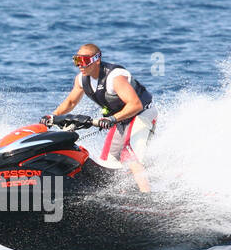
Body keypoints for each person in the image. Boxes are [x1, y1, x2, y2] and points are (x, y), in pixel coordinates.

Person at [42, 43, 156, 192]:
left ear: (96, 60)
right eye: (76, 61)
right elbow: (70, 102)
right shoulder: (82, 80)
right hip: (121, 119)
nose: (80, 66)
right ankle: (122, 193)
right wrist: (53, 116)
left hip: (142, 114)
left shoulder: (115, 77)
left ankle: (146, 195)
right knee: (108, 161)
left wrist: (112, 119)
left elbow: (135, 105)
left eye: (83, 61)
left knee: (129, 153)